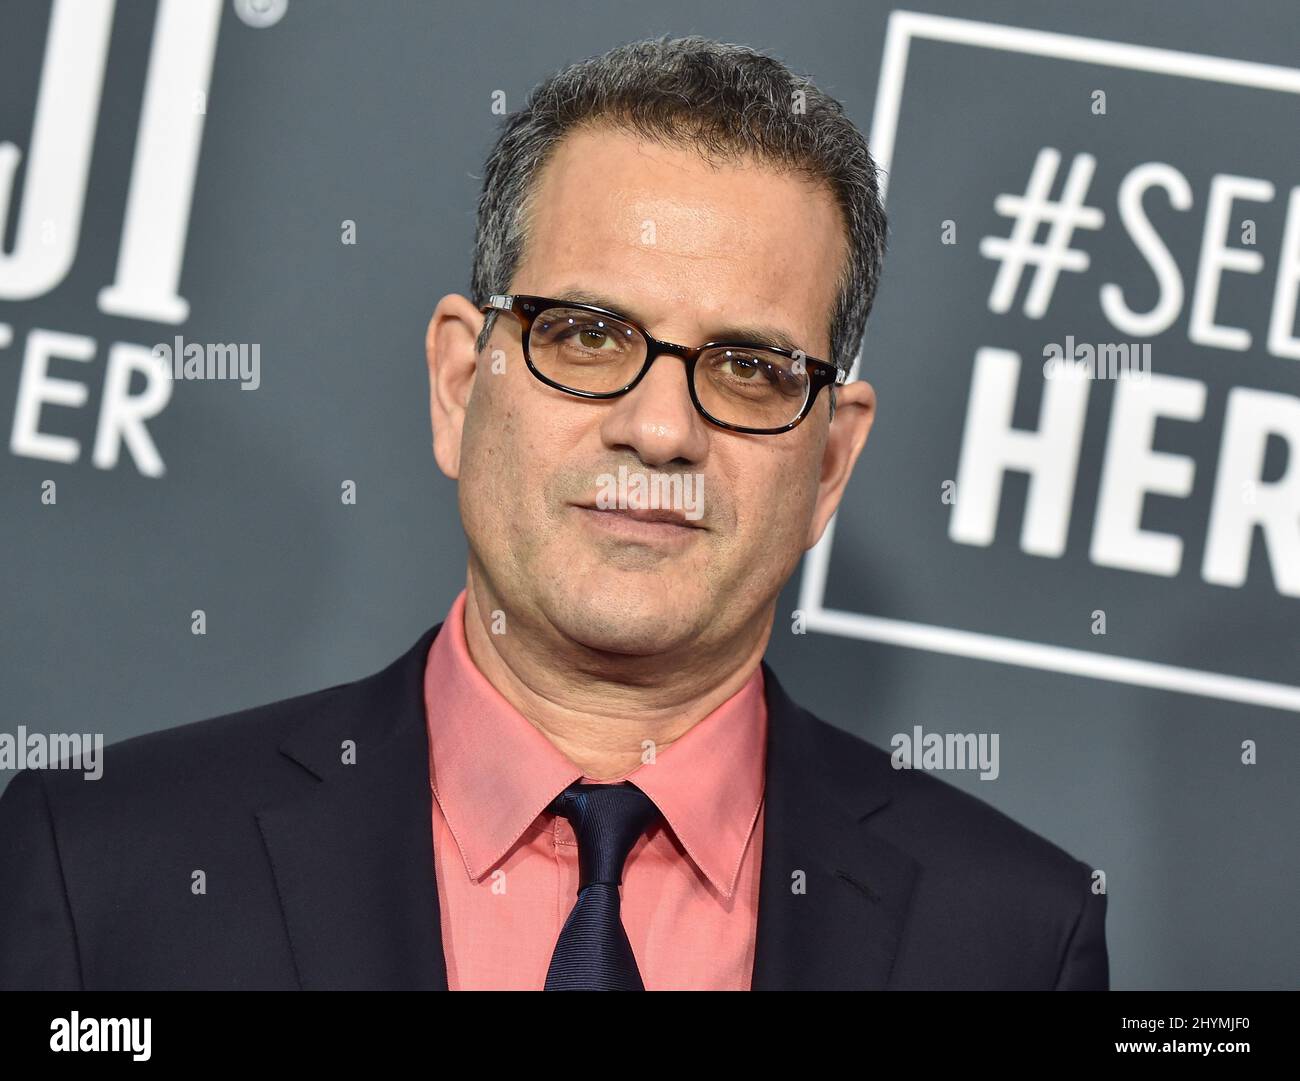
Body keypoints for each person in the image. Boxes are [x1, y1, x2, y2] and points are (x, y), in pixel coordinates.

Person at [0, 35, 1106, 991]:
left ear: (827, 465)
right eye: (586, 336)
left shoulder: (1011, 938)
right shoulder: (101, 865)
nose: (661, 429)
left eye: (748, 368)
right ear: (456, 385)